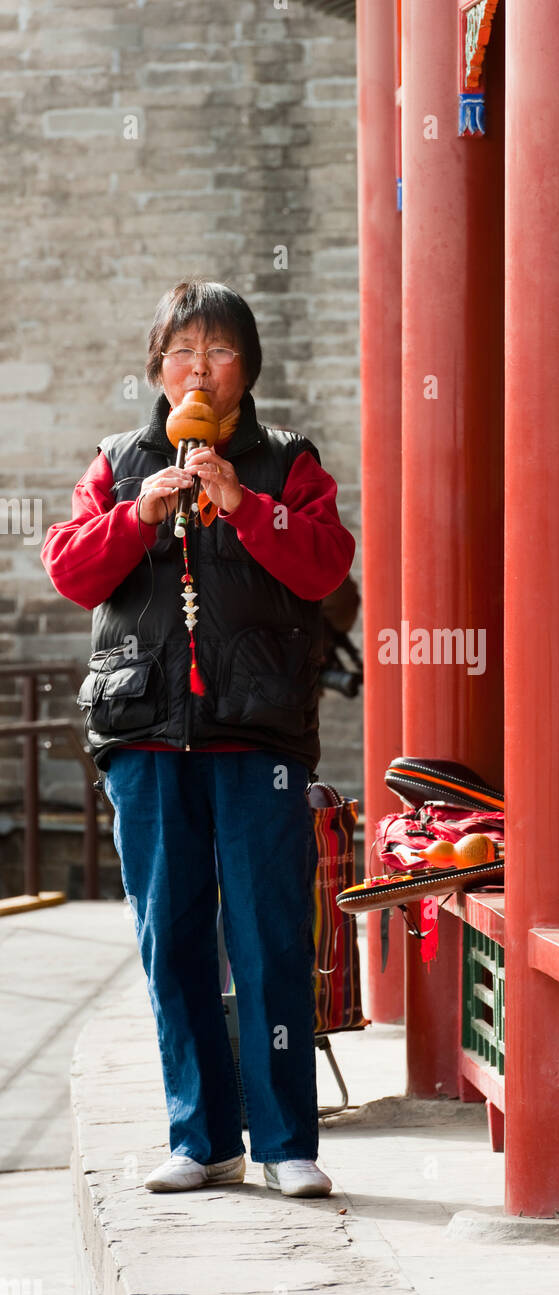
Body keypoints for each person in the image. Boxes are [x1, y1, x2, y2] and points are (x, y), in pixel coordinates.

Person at [41, 278, 356, 1198]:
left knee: (269, 939)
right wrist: (137, 511)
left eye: (219, 354)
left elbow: (327, 566)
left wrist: (245, 502)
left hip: (254, 736)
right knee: (168, 938)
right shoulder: (120, 459)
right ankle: (200, 1137)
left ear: (246, 370)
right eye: (183, 353)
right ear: (158, 367)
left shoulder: (288, 463)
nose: (201, 371)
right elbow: (68, 568)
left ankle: (287, 1143)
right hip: (142, 735)